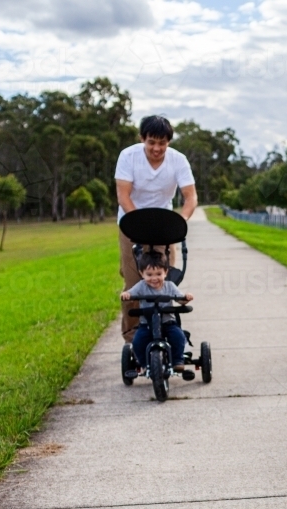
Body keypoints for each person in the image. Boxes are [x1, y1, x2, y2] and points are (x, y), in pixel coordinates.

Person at [115, 115, 198, 344]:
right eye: (152, 142)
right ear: (143, 139)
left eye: (162, 143)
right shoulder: (128, 156)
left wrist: (179, 222)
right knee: (135, 283)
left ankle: (165, 330)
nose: (157, 148)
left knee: (162, 281)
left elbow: (190, 197)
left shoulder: (178, 160)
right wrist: (139, 225)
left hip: (163, 224)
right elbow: (123, 195)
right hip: (131, 222)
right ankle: (133, 339)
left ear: (168, 142)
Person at [120, 251, 194, 373]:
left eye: (159, 274)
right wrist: (127, 295)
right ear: (141, 274)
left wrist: (186, 298)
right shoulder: (141, 286)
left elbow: (180, 299)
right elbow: (131, 293)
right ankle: (144, 364)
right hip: (147, 324)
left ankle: (177, 360)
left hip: (168, 322)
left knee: (179, 337)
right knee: (138, 341)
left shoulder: (169, 286)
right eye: (149, 274)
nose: (154, 278)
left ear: (166, 272)